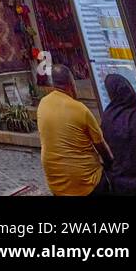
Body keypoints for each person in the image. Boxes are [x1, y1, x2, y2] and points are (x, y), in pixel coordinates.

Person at [37, 65, 112, 196]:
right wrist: (111, 164)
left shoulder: (43, 104)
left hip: (56, 186)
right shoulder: (80, 109)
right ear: (71, 84)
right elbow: (101, 147)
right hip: (86, 184)